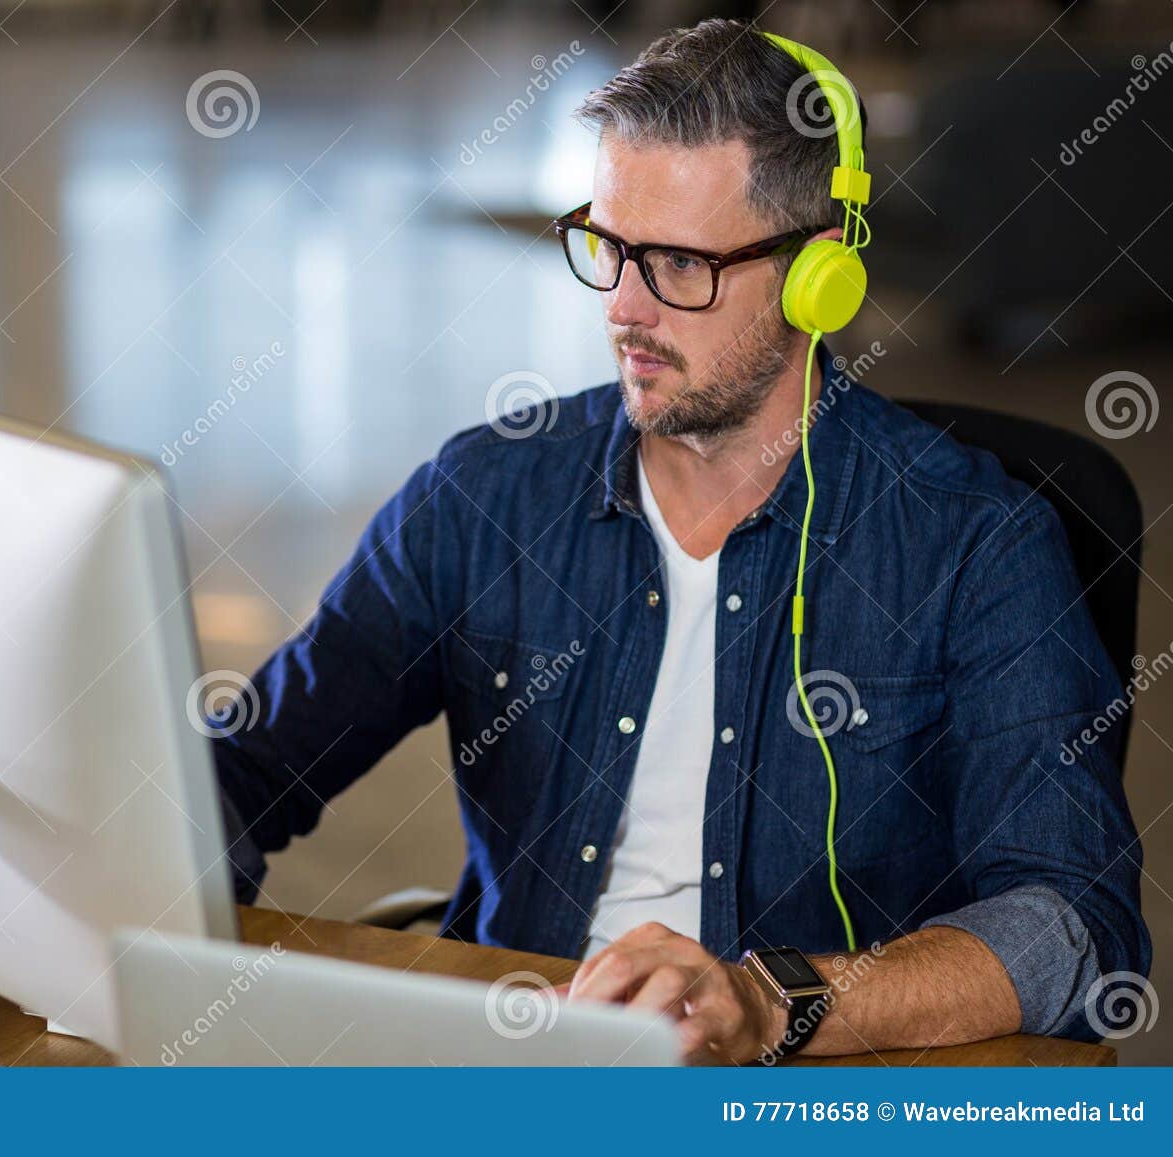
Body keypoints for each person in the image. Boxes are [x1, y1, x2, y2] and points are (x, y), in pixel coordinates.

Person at [206, 19, 1149, 1063]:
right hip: (519, 1061)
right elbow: (251, 764)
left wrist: (772, 1002)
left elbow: (1076, 925)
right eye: (607, 246)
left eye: (677, 266)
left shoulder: (972, 539)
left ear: (815, 277)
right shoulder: (486, 491)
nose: (622, 306)